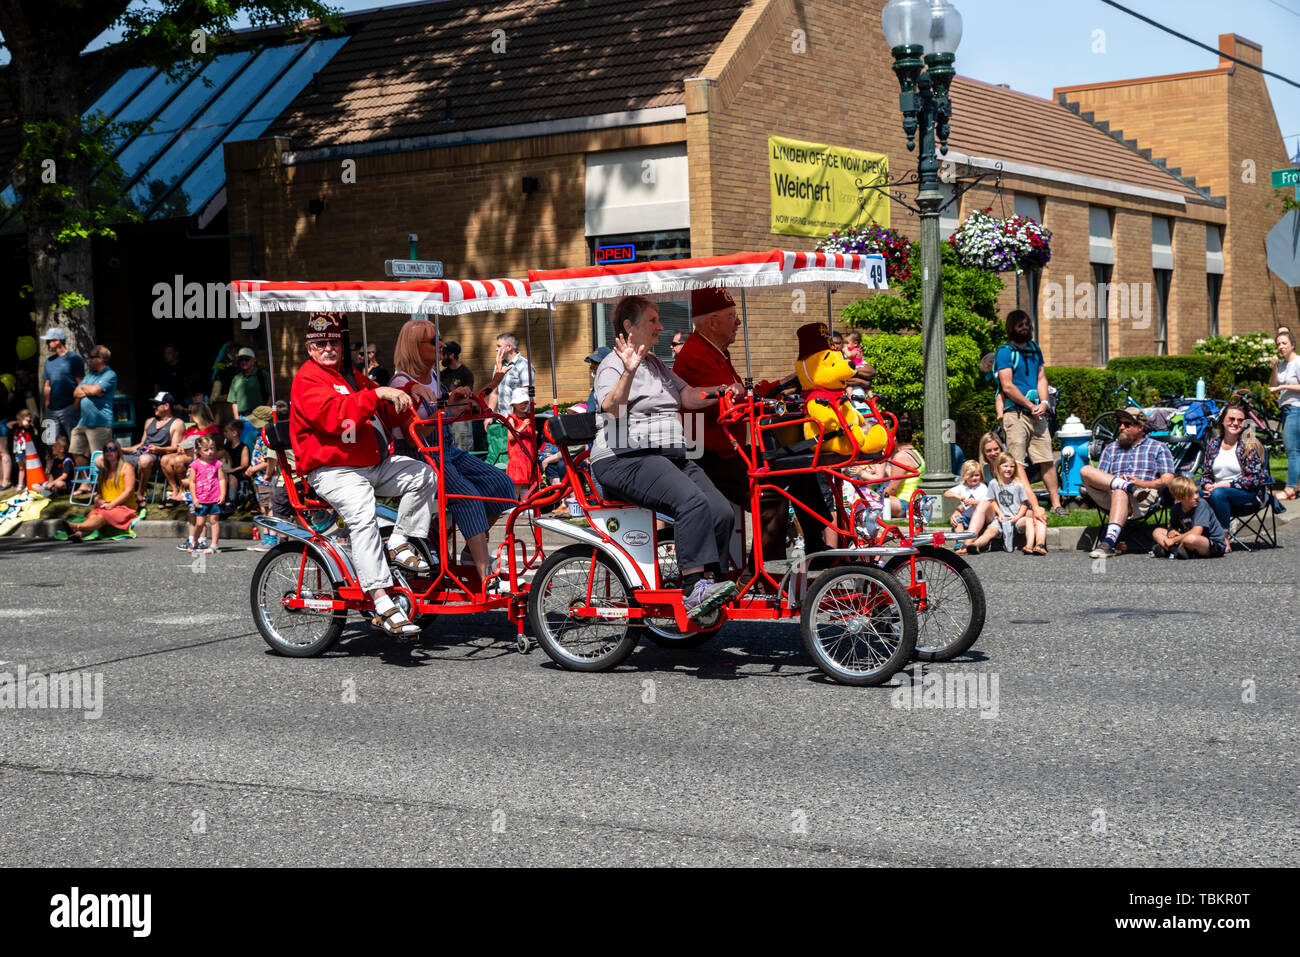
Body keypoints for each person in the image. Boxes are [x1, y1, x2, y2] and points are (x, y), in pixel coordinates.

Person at [590, 295, 742, 619]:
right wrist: (629, 371)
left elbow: (687, 395)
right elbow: (611, 409)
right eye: (653, 320)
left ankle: (711, 581)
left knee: (720, 511)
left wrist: (721, 391)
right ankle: (693, 588)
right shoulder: (614, 364)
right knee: (692, 502)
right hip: (624, 457)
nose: (661, 326)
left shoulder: (657, 364)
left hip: (667, 454)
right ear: (629, 327)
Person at [291, 312, 438, 638]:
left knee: (424, 475)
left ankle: (400, 540)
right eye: (321, 343)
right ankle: (381, 600)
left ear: (341, 346)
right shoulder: (307, 379)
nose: (328, 348)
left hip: (369, 464)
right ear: (309, 347)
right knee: (362, 512)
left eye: (333, 342)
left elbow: (385, 409)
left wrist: (412, 392)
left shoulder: (352, 376)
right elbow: (333, 419)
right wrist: (377, 395)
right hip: (332, 469)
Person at [671, 290, 829, 563]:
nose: (738, 323)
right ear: (712, 321)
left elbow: (744, 393)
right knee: (769, 496)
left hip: (729, 449)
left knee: (802, 467)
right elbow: (731, 401)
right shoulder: (696, 355)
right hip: (708, 454)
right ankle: (765, 575)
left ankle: (819, 548)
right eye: (732, 317)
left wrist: (781, 384)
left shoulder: (716, 351)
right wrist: (761, 397)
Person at [389, 318, 516, 584]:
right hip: (421, 454)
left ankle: (470, 551)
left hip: (446, 449)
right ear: (414, 347)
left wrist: (459, 400)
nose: (441, 345)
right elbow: (413, 439)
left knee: (502, 484)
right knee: (467, 497)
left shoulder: (435, 376)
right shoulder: (401, 383)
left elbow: (449, 415)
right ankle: (486, 576)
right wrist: (445, 409)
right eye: (434, 341)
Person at [995, 310, 1067, 517]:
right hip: (1015, 414)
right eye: (1020, 324)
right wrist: (1029, 405)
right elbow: (1007, 386)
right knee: (1016, 462)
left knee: (1045, 458)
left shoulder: (1035, 349)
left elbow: (1042, 378)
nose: (1025, 327)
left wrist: (1044, 403)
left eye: (1027, 323)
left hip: (1037, 414)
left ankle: (1056, 504)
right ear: (1011, 328)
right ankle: (1024, 504)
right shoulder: (1005, 352)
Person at [1081, 406, 1175, 558]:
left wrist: (1141, 484)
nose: (1121, 427)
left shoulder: (1158, 448)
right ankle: (1127, 486)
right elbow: (1101, 477)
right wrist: (1127, 485)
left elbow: (1167, 479)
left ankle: (1108, 543)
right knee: (1086, 470)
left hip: (1143, 496)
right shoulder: (1110, 449)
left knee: (1120, 491)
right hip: (1110, 495)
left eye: (1127, 424)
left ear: (1140, 427)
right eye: (1120, 423)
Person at [1198, 399, 1274, 528]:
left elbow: (1256, 479)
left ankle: (1223, 535)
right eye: (1231, 419)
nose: (1235, 423)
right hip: (1215, 492)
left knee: (1218, 494)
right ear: (1222, 421)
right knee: (1187, 493)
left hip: (1246, 495)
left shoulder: (1249, 445)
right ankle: (1189, 535)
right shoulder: (1213, 445)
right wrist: (1207, 485)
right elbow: (1205, 475)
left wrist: (1227, 485)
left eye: (1240, 420)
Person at [967, 452, 1046, 554]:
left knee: (1028, 521)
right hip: (1001, 518)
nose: (1009, 469)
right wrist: (1000, 514)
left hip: (1017, 517)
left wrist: (1017, 517)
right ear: (998, 467)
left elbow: (1024, 504)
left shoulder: (1018, 485)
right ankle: (975, 545)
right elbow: (993, 500)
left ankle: (1029, 546)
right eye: (1005, 466)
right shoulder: (993, 484)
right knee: (990, 531)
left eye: (1012, 466)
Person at [59, 440, 137, 542]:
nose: (109, 452)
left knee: (103, 515)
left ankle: (76, 527)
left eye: (112, 449)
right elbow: (99, 494)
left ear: (118, 452)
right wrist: (99, 500)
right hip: (106, 506)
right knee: (94, 515)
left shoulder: (127, 468)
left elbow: (129, 491)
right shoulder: (103, 472)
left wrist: (112, 504)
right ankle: (79, 534)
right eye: (106, 450)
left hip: (124, 507)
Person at [122, 392, 185, 499]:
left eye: (156, 404)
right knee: (106, 458)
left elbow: (175, 447)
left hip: (156, 457)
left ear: (166, 406)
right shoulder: (149, 421)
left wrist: (159, 449)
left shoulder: (177, 423)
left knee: (144, 460)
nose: (153, 407)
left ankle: (140, 493)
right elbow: (142, 444)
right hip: (140, 454)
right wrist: (123, 449)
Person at [68, 345, 117, 472]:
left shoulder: (110, 374)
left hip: (100, 423)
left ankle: (102, 483)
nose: (89, 360)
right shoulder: (91, 375)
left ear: (101, 359)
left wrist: (88, 389)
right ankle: (86, 483)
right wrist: (89, 390)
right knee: (76, 449)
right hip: (83, 421)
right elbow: (76, 392)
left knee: (99, 456)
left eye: (91, 357)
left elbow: (94, 390)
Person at [1154, 476, 1226, 559]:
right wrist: (1171, 531)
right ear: (1179, 498)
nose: (1196, 497)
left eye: (1196, 492)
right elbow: (1172, 526)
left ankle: (1169, 550)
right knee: (1157, 531)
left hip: (1212, 544)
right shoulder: (1176, 509)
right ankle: (1176, 551)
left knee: (1190, 539)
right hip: (1187, 540)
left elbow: (1197, 532)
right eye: (1190, 495)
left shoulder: (1201, 505)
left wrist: (1174, 540)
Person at [162, 401, 219, 505]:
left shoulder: (211, 429)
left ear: (198, 415)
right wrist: (180, 447)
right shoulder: (191, 428)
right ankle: (175, 489)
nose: (188, 415)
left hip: (200, 457)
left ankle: (184, 490)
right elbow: (183, 442)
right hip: (186, 454)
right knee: (165, 459)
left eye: (190, 412)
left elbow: (212, 447)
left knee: (178, 460)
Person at [1268, 329, 1300, 501]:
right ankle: (1294, 486)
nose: (1280, 347)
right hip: (1287, 410)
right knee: (1295, 450)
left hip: (1296, 409)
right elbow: (1272, 386)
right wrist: (1274, 369)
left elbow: (1279, 388)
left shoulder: (1298, 363)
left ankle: (1290, 489)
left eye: (1284, 343)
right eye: (1278, 344)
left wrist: (1282, 388)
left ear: (1292, 345)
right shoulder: (1281, 365)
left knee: (1292, 451)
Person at [39, 328, 84, 441]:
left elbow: (81, 384)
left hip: (69, 408)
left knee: (75, 444)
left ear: (57, 341)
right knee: (51, 443)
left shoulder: (74, 359)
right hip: (51, 411)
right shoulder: (49, 361)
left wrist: (75, 406)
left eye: (49, 341)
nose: (46, 343)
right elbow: (47, 385)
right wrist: (47, 406)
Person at [183, 435, 225, 554]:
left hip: (214, 497)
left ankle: (214, 545)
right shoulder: (195, 465)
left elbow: (222, 480)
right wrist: (194, 498)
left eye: (212, 448)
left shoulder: (217, 464)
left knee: (214, 521)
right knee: (200, 523)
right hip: (201, 499)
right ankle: (195, 541)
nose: (210, 451)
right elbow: (192, 482)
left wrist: (222, 494)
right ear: (198, 451)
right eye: (206, 449)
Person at [484, 332, 536, 413]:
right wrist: (489, 415)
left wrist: (515, 417)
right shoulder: (498, 365)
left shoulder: (524, 365)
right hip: (502, 417)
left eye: (499, 346)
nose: (496, 349)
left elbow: (528, 393)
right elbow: (494, 393)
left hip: (519, 418)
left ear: (509, 347)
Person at [439, 341, 474, 451]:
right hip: (447, 419)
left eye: (444, 354)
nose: (441, 357)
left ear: (451, 355)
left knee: (463, 449)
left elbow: (467, 396)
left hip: (461, 420)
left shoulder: (466, 373)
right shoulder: (442, 374)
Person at [226, 347, 272, 421]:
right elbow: (234, 402)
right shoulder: (236, 378)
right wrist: (237, 420)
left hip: (259, 418)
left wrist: (264, 417)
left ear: (254, 360)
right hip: (242, 418)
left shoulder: (262, 375)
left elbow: (271, 396)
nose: (244, 362)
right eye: (241, 359)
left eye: (247, 359)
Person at [505, 387, 536, 497]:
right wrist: (522, 427)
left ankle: (526, 503)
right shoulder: (512, 418)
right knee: (517, 482)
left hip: (528, 453)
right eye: (520, 403)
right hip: (517, 454)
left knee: (527, 481)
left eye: (525, 403)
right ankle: (513, 504)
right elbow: (510, 437)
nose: (523, 405)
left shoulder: (529, 417)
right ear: (514, 405)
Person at [945, 459, 989, 534]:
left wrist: (974, 502)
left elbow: (986, 502)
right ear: (965, 476)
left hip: (980, 518)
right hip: (966, 517)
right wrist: (957, 496)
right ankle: (960, 539)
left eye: (977, 475)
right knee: (957, 519)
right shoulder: (962, 487)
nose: (974, 478)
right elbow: (947, 493)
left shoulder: (982, 487)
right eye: (971, 476)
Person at [220, 419, 251, 503]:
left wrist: (231, 470)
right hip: (228, 471)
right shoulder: (227, 447)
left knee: (232, 477)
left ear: (234, 433)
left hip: (240, 472)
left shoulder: (243, 447)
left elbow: (244, 465)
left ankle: (231, 500)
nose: (224, 434)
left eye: (226, 432)